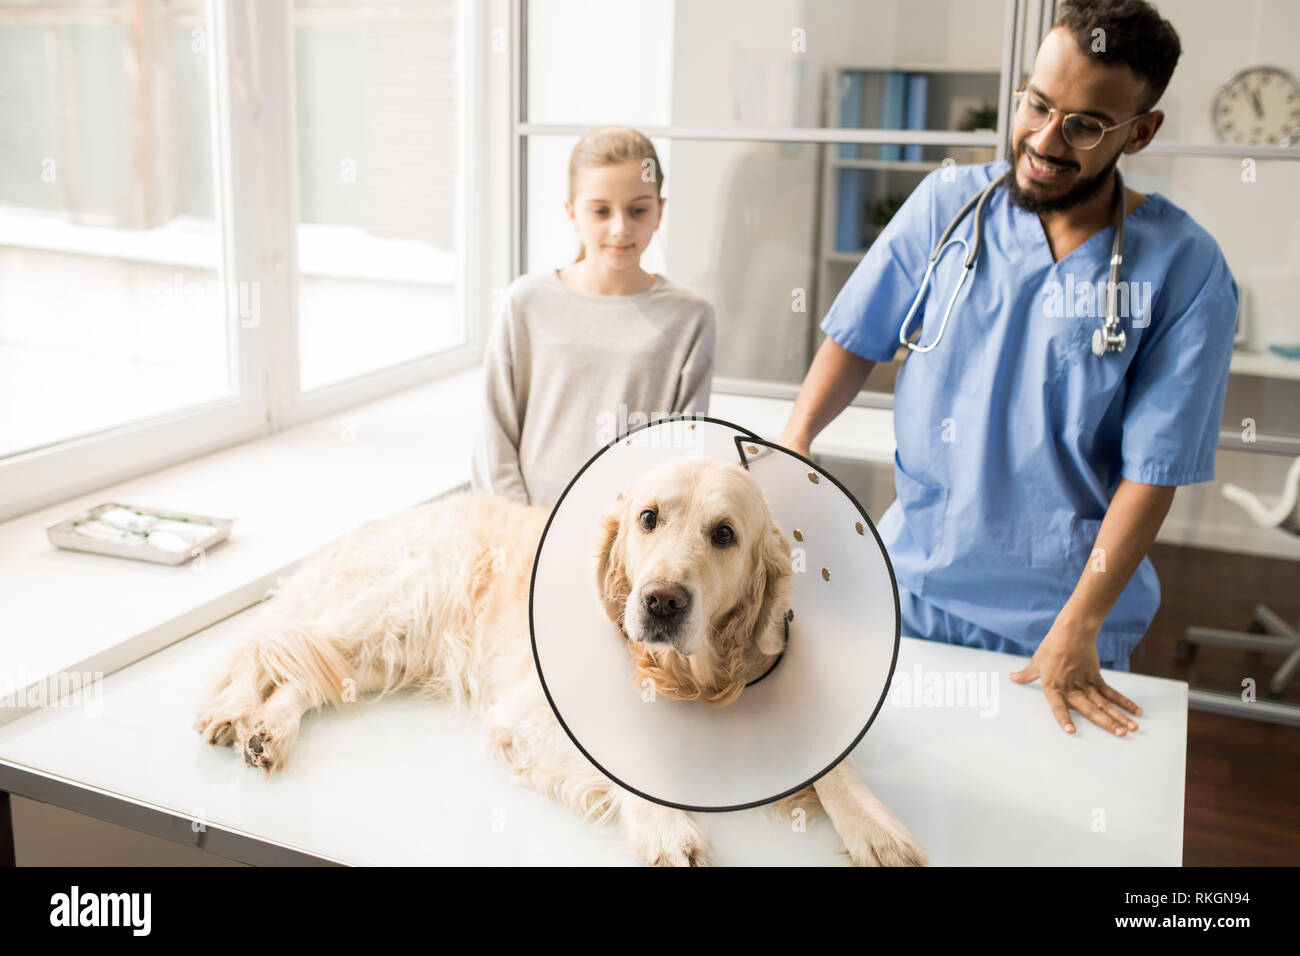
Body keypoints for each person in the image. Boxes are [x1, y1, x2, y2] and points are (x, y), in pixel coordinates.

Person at [779, 0, 1238, 738]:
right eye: (1037, 104)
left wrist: (1079, 624)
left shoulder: (1186, 269)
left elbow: (1152, 472)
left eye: (1085, 124)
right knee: (896, 792)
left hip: (1061, 617)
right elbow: (855, 337)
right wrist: (794, 447)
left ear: (1140, 132)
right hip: (915, 581)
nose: (1046, 139)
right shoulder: (948, 207)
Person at [471, 126, 717, 511]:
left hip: (632, 541)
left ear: (659, 211)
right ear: (571, 212)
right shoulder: (527, 302)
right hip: (526, 530)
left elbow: (683, 452)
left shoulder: (690, 316)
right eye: (600, 210)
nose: (620, 227)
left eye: (638, 210)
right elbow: (494, 433)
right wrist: (520, 527)